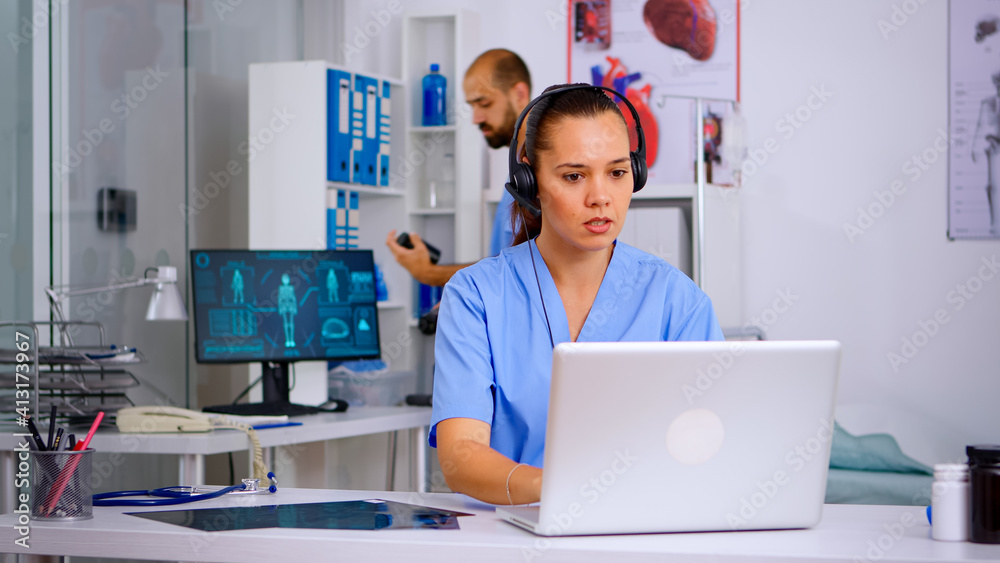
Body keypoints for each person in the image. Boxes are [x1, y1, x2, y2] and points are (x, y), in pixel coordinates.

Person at [429, 85, 724, 505]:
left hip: (642, 531)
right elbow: (460, 457)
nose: (600, 197)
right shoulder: (476, 295)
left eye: (617, 173)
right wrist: (561, 492)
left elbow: (707, 444)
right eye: (573, 176)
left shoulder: (677, 301)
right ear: (531, 182)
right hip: (510, 535)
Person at [386, 49, 532, 285]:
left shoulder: (537, 173)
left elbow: (517, 273)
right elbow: (501, 264)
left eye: (484, 103)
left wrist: (430, 274)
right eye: (472, 106)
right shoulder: (517, 175)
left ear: (519, 94)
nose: (476, 118)